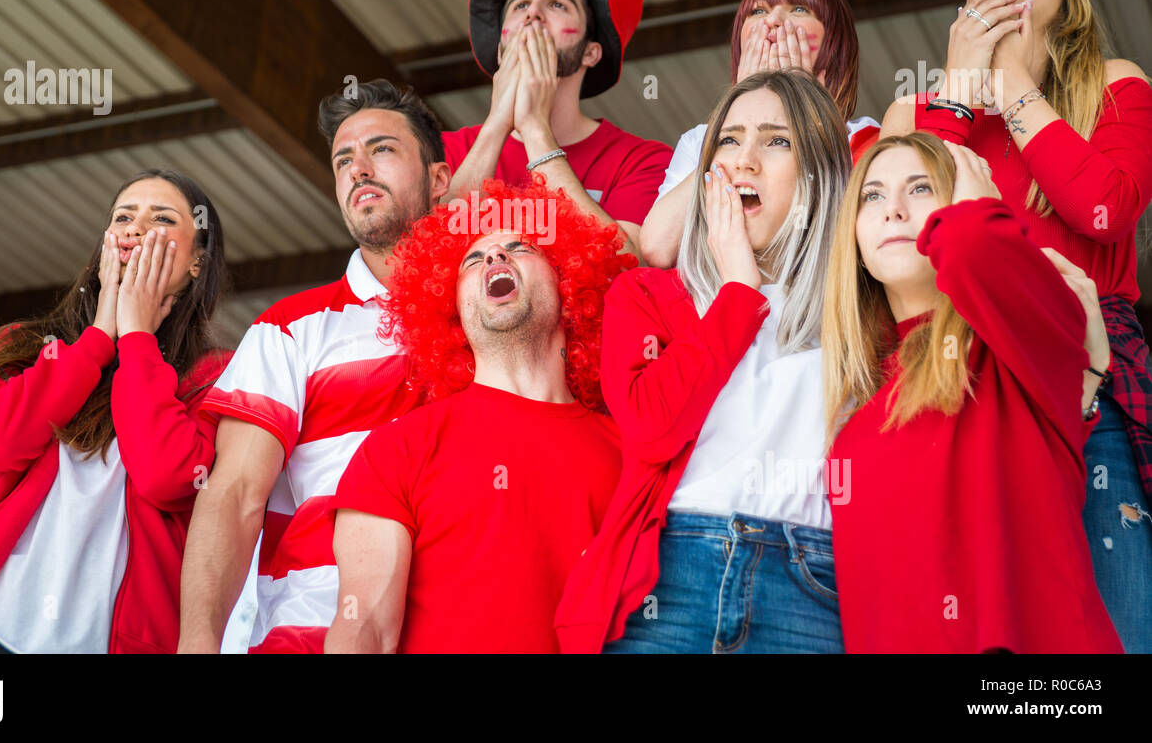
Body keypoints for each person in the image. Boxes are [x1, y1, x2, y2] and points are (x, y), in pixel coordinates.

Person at [879, 0, 1152, 651]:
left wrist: (1013, 85)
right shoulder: (912, 111)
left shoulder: (1113, 80)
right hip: (952, 368)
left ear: (1070, 3)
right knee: (981, 616)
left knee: (1114, 611)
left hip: (1085, 365)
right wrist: (960, 94)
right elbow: (912, 243)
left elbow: (1105, 208)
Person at [556, 69, 852, 653]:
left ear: (818, 173)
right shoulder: (646, 294)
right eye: (729, 140)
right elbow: (651, 428)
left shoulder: (859, 303)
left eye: (777, 141)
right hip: (671, 574)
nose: (744, 160)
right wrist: (738, 290)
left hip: (813, 578)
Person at [0, 170, 231, 653]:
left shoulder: (219, 378)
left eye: (162, 219)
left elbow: (168, 477)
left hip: (117, 640)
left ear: (197, 261)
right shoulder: (22, 346)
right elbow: (0, 444)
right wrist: (97, 340)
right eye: (124, 217)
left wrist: (136, 340)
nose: (135, 229)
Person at [178, 79, 450, 654]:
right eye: (343, 159)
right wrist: (198, 643)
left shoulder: (492, 310)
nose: (358, 169)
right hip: (313, 630)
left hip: (469, 625)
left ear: (440, 180)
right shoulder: (288, 328)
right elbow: (234, 494)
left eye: (382, 149)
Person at [822, 133, 1122, 652]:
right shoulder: (853, 420)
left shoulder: (1013, 348)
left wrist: (980, 200)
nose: (892, 209)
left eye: (921, 188)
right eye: (871, 195)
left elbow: (974, 248)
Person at [325, 179, 633, 652]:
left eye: (520, 247)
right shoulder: (398, 448)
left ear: (569, 281)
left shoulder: (630, 451)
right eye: (474, 258)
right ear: (448, 306)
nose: (495, 258)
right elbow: (364, 627)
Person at [442, 0, 672, 261]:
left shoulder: (640, 161)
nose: (532, 14)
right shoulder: (448, 151)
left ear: (591, 52)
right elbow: (427, 262)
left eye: (557, 4)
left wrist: (536, 130)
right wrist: (496, 125)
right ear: (499, 47)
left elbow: (622, 265)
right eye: (520, 4)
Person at [640, 0, 879, 268]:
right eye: (757, 11)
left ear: (835, 44)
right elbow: (658, 248)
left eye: (799, 8)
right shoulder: (700, 139)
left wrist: (800, 100)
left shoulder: (864, 139)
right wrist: (742, 103)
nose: (773, 20)